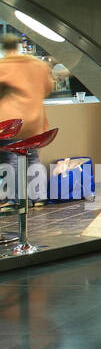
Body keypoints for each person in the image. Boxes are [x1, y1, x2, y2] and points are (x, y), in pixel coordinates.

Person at [0, 33, 54, 215]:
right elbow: (48, 88)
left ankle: (12, 199)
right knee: (32, 157)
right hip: (34, 120)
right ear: (20, 45)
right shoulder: (38, 65)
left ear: (3, 48)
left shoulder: (3, 66)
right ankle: (38, 198)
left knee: (10, 158)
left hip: (10, 122)